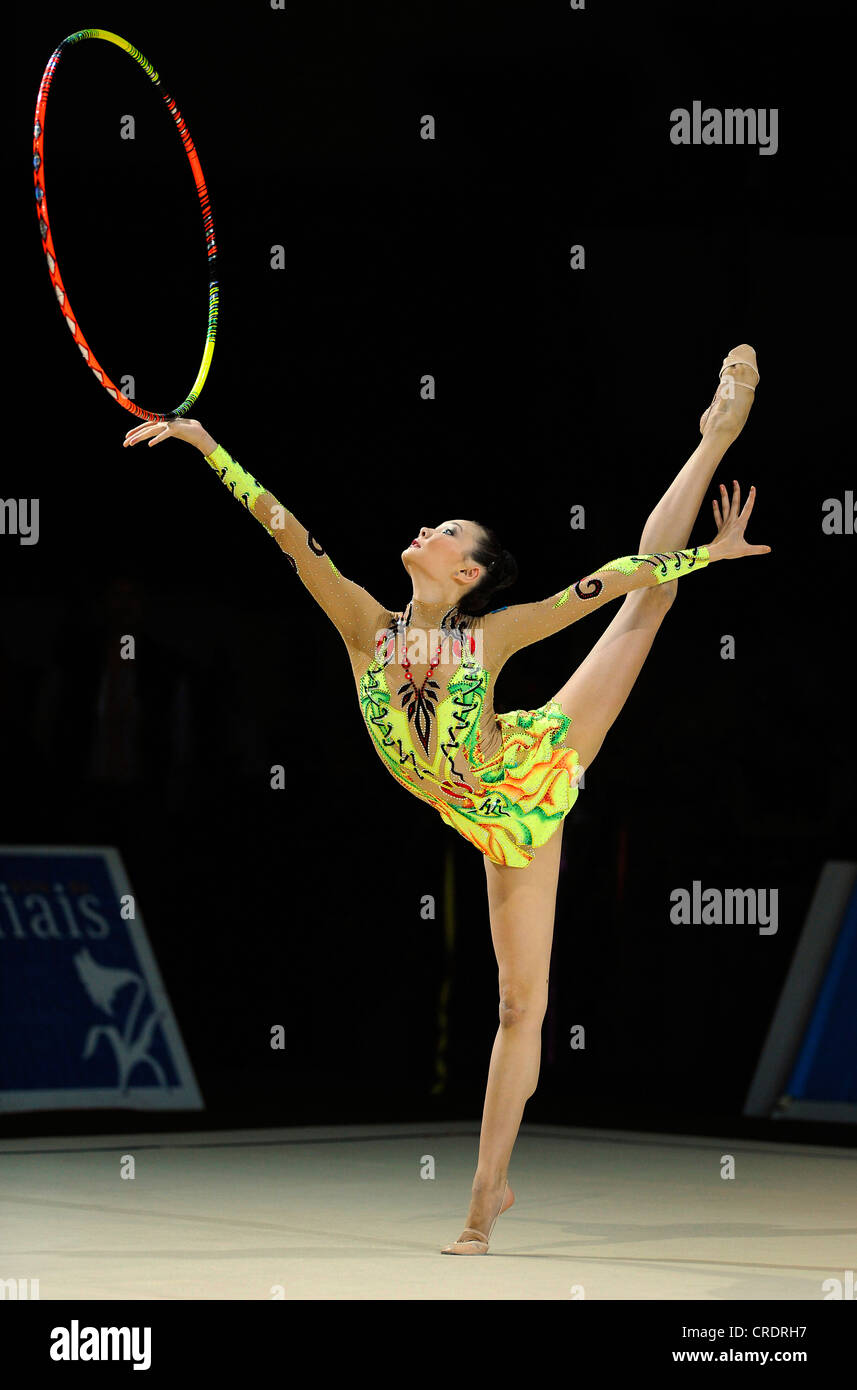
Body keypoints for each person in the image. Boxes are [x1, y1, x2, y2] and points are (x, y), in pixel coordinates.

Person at [124, 343, 767, 1254]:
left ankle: (711, 437)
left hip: (529, 771)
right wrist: (203, 444)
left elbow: (607, 583)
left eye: (444, 532)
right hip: (476, 816)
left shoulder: (492, 636)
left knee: (641, 612)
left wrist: (707, 553)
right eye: (430, 524)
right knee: (516, 1006)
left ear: (466, 574)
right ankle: (495, 1187)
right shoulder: (362, 628)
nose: (425, 531)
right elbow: (289, 535)